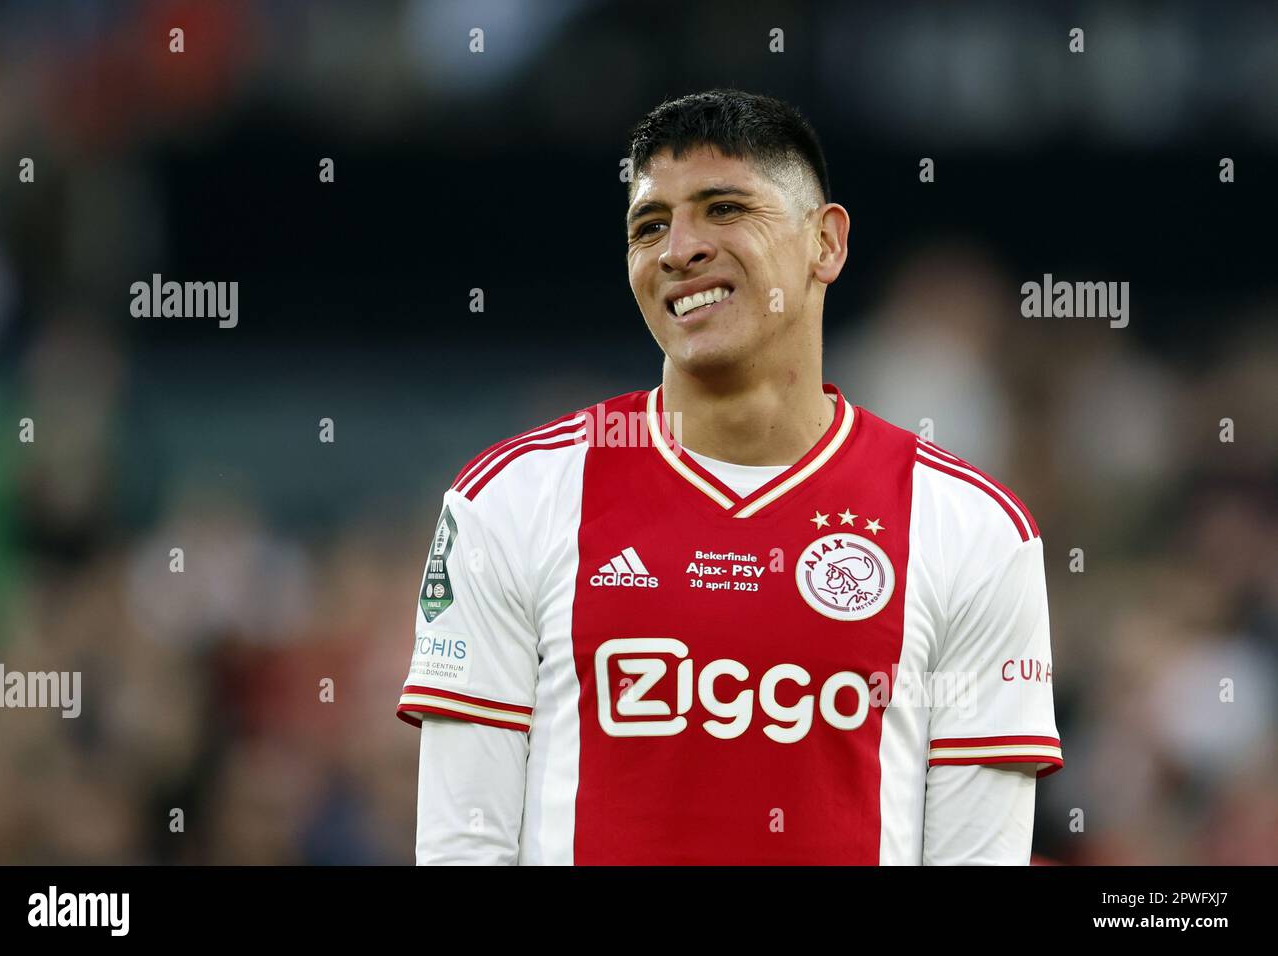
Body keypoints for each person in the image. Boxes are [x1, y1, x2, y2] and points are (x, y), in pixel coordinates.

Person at [396, 89, 1062, 864]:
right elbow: (463, 847)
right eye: (650, 226)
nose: (679, 248)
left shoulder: (974, 529)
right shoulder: (507, 501)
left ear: (827, 243)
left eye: (724, 209)